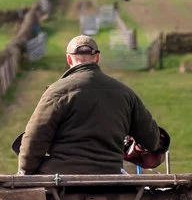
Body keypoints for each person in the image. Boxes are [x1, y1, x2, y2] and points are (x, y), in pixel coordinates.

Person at [14, 35, 168, 175]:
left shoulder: (56, 92)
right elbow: (152, 140)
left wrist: (25, 172)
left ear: (69, 60)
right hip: (110, 177)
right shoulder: (125, 93)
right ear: (97, 58)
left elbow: (34, 139)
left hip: (60, 181)